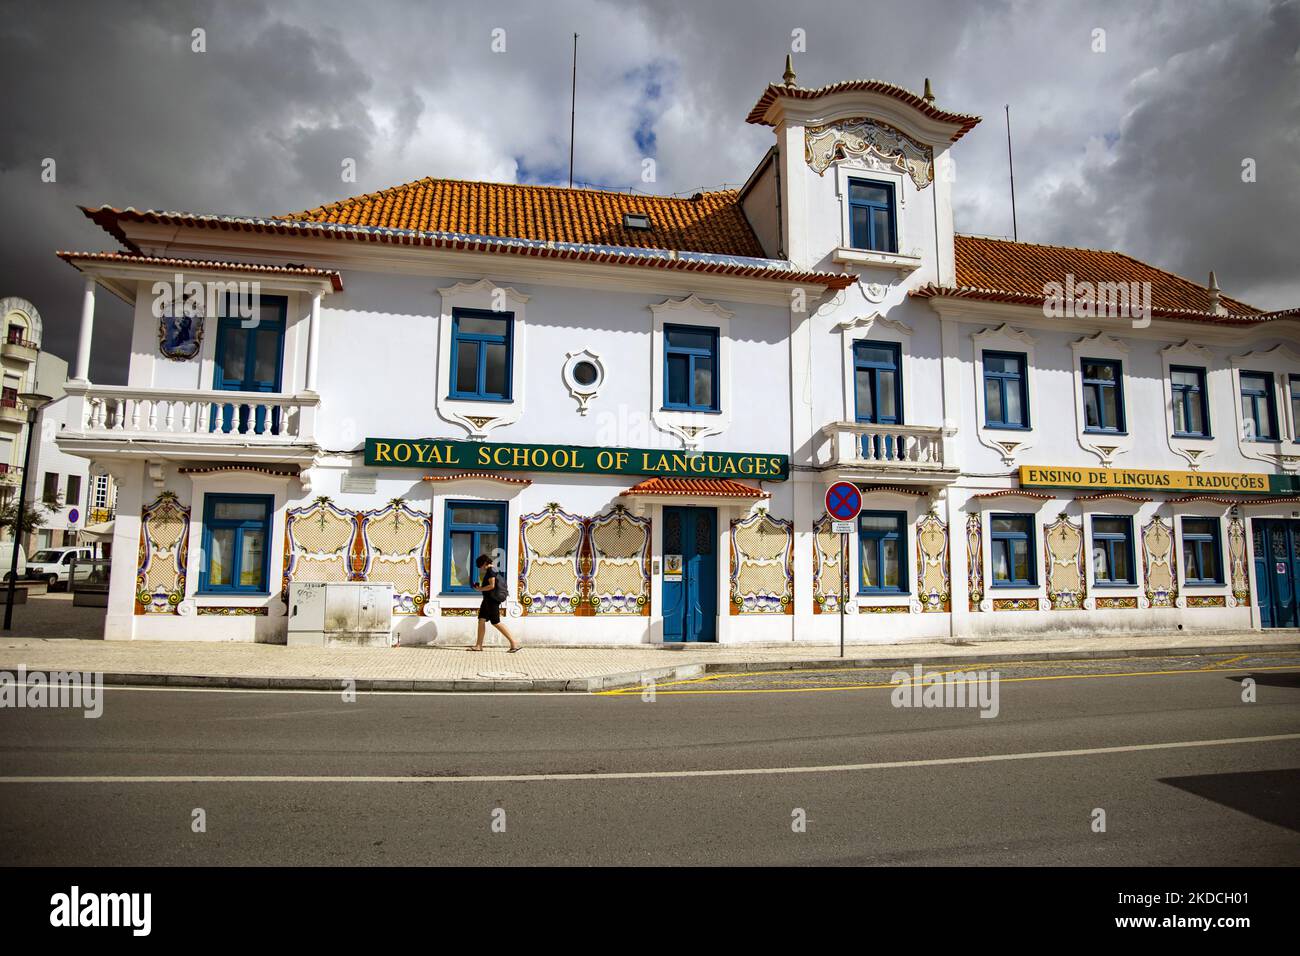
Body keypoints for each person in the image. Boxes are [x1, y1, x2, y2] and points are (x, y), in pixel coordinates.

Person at [468, 553, 521, 652]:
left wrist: (480, 589)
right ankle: (478, 645)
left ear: (484, 563)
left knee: (496, 622)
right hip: (487, 600)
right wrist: (481, 589)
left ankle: (514, 643)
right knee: (481, 620)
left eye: (480, 566)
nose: (481, 569)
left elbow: (492, 586)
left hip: (492, 600)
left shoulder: (491, 571)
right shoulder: (494, 570)